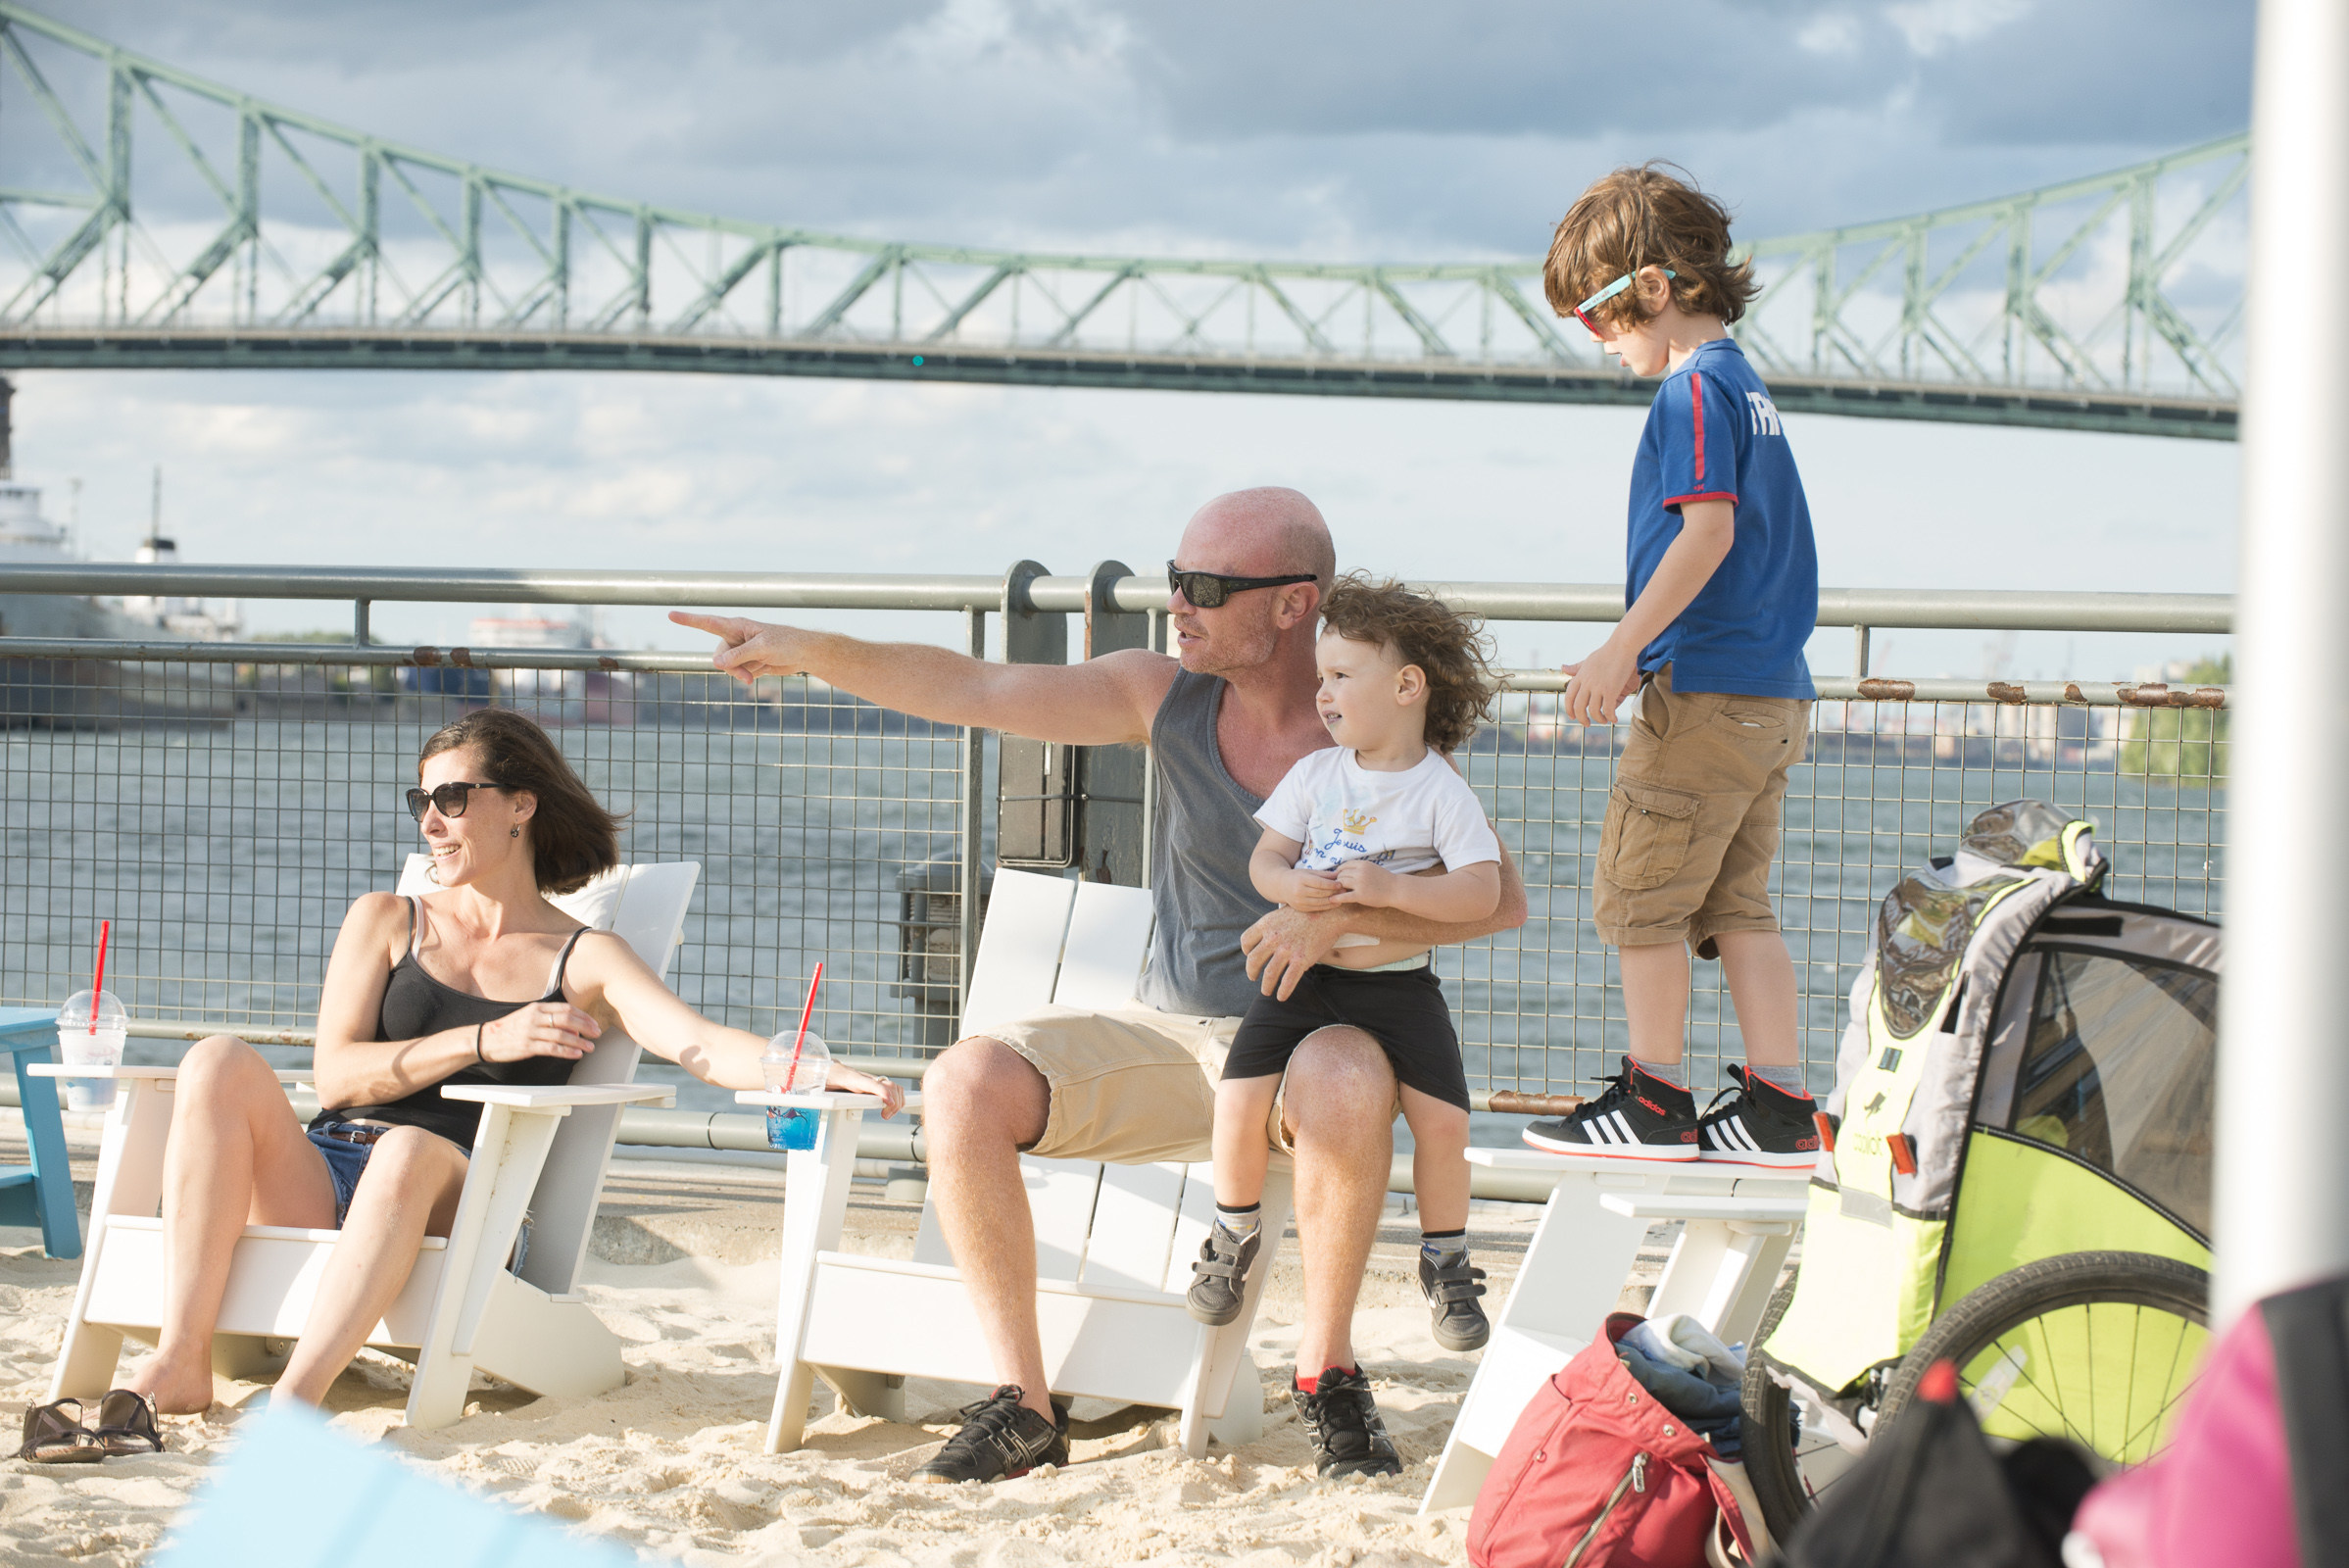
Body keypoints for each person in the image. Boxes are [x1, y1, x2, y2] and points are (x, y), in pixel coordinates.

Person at [673, 487, 1527, 1483]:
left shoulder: (1381, 732)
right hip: (1172, 1043)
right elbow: (978, 688)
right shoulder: (1160, 694)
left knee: (1343, 1068)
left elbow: (1497, 900)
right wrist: (810, 648)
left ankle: (1327, 1373)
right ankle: (1022, 1404)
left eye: (1206, 586)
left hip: (1311, 1047)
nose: (1179, 605)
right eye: (1176, 581)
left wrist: (1336, 919)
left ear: (1295, 605)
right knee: (964, 1082)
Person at [121, 709, 904, 1420]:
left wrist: (797, 1065)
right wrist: (484, 1041)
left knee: (408, 1149)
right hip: (325, 1172)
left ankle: (295, 1404)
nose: (431, 821)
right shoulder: (386, 920)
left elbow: (691, 1043)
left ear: (521, 805)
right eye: (422, 802)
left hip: (468, 1199)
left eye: (455, 798)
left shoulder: (585, 957)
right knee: (218, 1059)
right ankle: (181, 1358)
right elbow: (336, 1079)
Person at [1521, 164, 1823, 1169]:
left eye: (1596, 321)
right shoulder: (1749, 388)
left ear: (1653, 288)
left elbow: (1706, 533)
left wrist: (1621, 647)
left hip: (1702, 692)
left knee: (1637, 896)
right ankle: (1781, 1104)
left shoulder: (1692, 393)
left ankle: (1655, 1096)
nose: (1601, 347)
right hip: (1773, 699)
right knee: (1737, 903)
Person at [1193, 574, 1501, 1358]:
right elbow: (1266, 858)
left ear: (1406, 686)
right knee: (1236, 1100)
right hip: (1306, 978)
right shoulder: (1315, 775)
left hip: (1397, 988)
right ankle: (1232, 1232)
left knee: (1445, 1125)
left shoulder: (1440, 789)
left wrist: (1392, 889)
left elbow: (1482, 892)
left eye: (1339, 677)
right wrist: (1285, 884)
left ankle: (1446, 1255)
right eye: (1319, 678)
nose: (1322, 695)